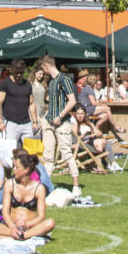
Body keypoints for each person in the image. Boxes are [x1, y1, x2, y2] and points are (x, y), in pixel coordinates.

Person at [0, 151, 56, 240]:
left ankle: (24, 235)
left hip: (30, 227)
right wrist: (12, 227)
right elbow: (5, 212)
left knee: (50, 223)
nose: (13, 169)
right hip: (11, 226)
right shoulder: (10, 184)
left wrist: (27, 224)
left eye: (17, 167)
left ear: (26, 170)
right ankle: (15, 234)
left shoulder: (39, 188)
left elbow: (41, 216)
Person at [38, 55, 81, 197]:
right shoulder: (51, 82)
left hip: (62, 122)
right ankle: (46, 185)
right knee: (48, 155)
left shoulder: (64, 79)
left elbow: (72, 101)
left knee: (66, 153)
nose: (42, 71)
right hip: (49, 121)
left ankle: (76, 186)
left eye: (42, 68)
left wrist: (61, 116)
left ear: (46, 65)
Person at [0, 60, 36, 144]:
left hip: (26, 123)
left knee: (31, 151)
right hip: (10, 123)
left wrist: (35, 122)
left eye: (21, 72)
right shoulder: (4, 84)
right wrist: (0, 122)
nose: (19, 75)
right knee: (10, 151)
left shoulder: (27, 84)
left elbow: (31, 103)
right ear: (12, 70)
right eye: (16, 72)